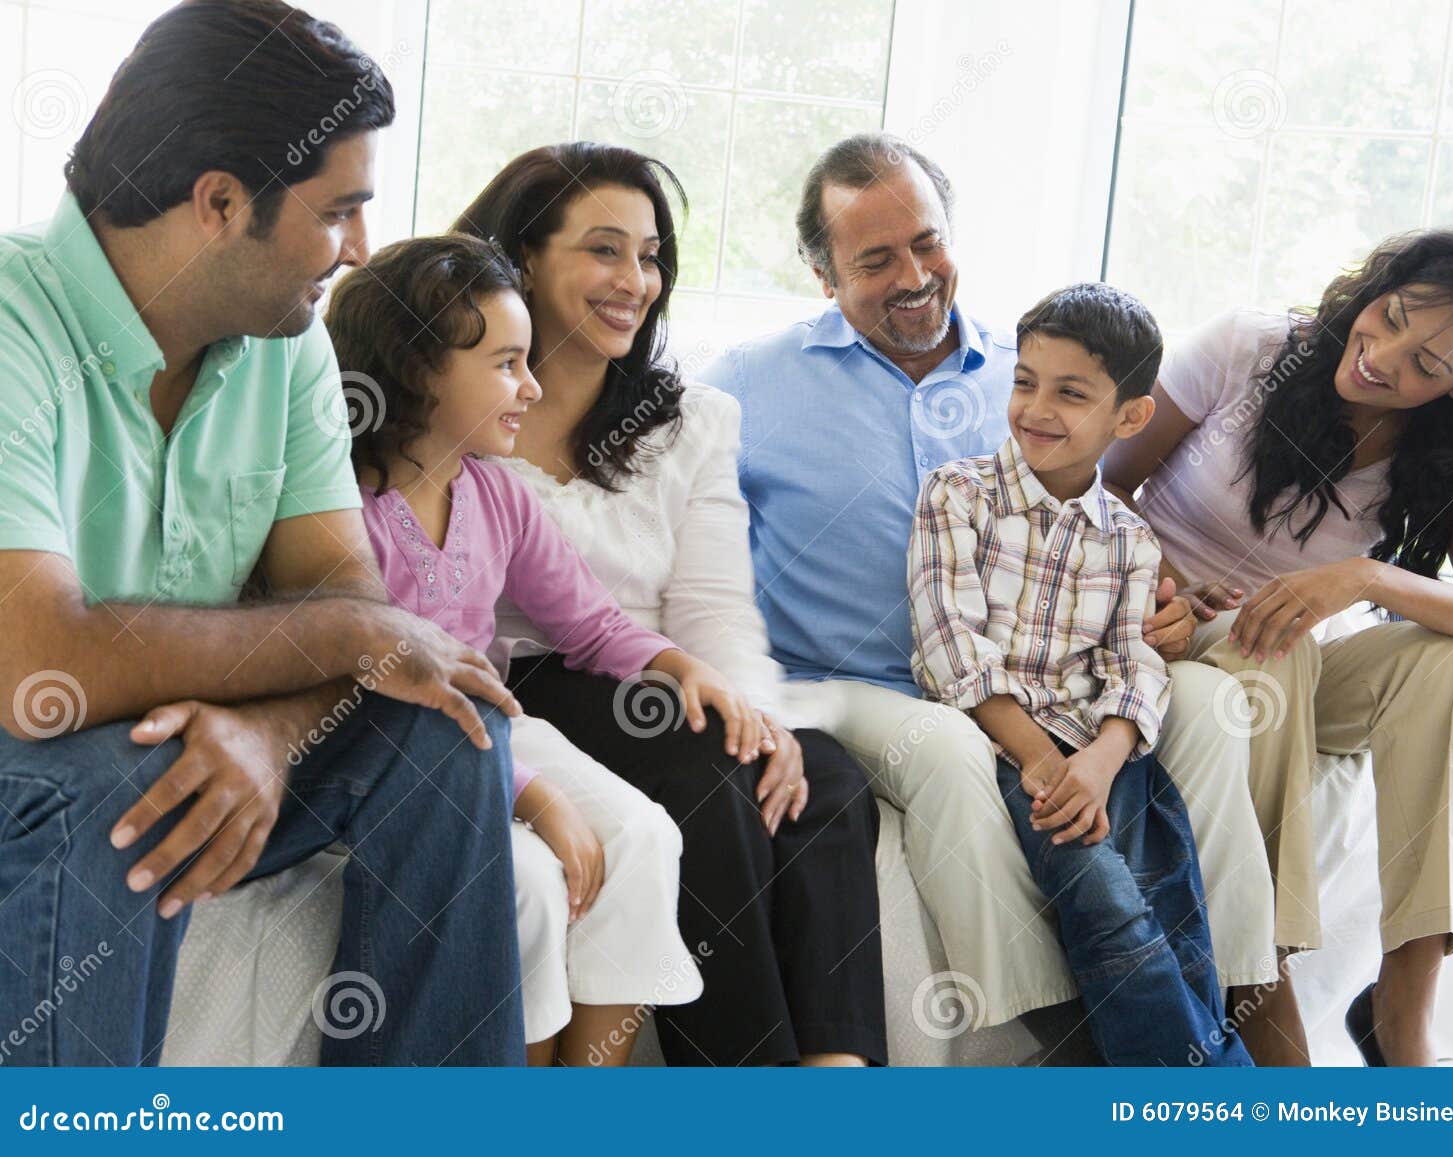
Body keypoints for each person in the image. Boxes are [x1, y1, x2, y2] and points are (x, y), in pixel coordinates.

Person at [0, 0, 526, 1065]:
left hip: (175, 733)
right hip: (34, 756)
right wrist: (335, 644)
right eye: (340, 211)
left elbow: (353, 599)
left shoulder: (282, 342)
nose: (361, 247)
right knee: (119, 784)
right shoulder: (16, 317)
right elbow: (35, 659)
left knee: (449, 727)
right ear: (220, 202)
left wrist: (274, 733)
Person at [701, 131, 1280, 1057]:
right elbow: (675, 532)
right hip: (857, 683)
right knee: (944, 749)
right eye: (875, 258)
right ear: (823, 274)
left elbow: (1099, 529)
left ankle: (1232, 989)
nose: (914, 275)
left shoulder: (1028, 369)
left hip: (1034, 673)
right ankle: (1058, 1028)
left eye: (926, 243)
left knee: (1212, 702)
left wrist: (1163, 605)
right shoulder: (746, 384)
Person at [454, 142, 887, 1066]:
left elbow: (716, 607)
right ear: (524, 256)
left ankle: (838, 1074)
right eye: (605, 249)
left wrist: (756, 716)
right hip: (526, 677)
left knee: (826, 778)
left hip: (656, 666)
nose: (635, 280)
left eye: (651, 256)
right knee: (704, 768)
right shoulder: (461, 402)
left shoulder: (693, 420)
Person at [1101, 229, 1453, 1066]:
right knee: (1281, 648)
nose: (1383, 358)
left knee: (1448, 658)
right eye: (1389, 318)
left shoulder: (1442, 452)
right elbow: (1103, 481)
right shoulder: (1251, 349)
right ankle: (1258, 987)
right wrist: (1165, 583)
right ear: (1381, 286)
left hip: (1291, 659)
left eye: (1428, 366)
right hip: (1168, 629)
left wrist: (1367, 580)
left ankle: (1401, 1008)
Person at [325, 233, 715, 1066]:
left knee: (647, 837)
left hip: (490, 726)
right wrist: (535, 798)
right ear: (422, 369)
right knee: (534, 884)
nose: (533, 390)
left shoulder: (496, 492)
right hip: (402, 745)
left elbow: (589, 624)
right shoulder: (340, 507)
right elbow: (372, 699)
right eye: (508, 364)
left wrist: (680, 666)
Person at [910, 283, 1250, 1066]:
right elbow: (948, 646)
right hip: (1010, 749)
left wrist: (1100, 760)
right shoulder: (957, 496)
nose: (1035, 407)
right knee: (1105, 900)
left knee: (1172, 907)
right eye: (1025, 381)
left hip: (1103, 755)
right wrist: (1045, 762)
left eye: (1070, 392)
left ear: (1129, 417)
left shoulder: (1130, 537)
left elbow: (1135, 660)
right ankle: (1222, 1100)